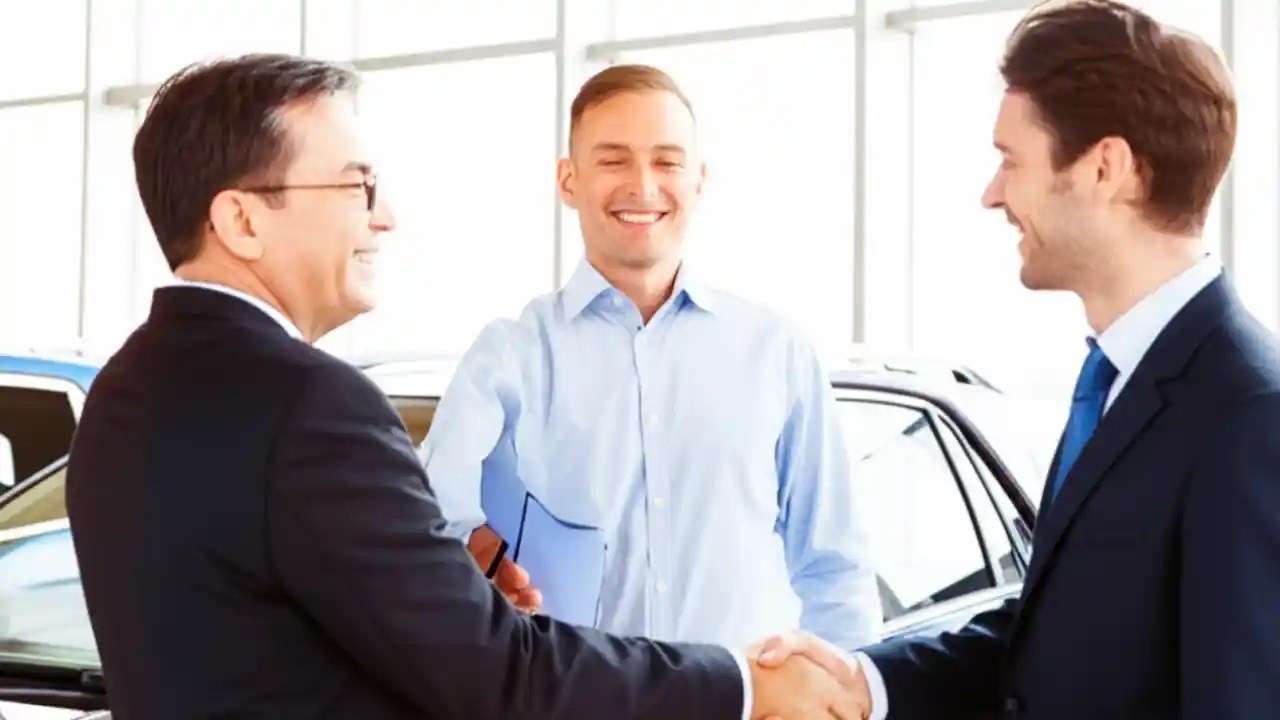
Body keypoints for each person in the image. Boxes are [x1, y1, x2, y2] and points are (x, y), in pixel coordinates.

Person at [63, 53, 865, 720]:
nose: (385, 218)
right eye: (356, 188)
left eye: (668, 161)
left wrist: (454, 590)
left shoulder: (122, 393)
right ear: (242, 221)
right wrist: (744, 687)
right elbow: (492, 669)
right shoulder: (314, 406)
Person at [758, 1, 1280, 718]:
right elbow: (1048, 641)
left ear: (1106, 168)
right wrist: (862, 685)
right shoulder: (1119, 378)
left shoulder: (1247, 414)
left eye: (1010, 159)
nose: (992, 193)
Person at [418, 64, 880, 651]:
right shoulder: (510, 357)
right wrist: (480, 572)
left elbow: (835, 567)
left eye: (667, 161)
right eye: (613, 160)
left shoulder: (776, 351)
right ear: (568, 181)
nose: (642, 185)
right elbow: (427, 526)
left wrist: (842, 697)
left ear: (699, 180)